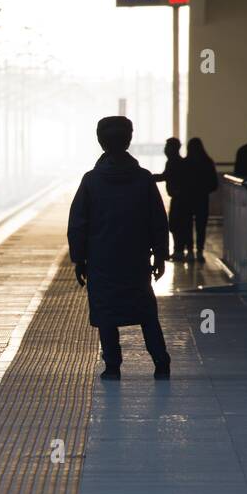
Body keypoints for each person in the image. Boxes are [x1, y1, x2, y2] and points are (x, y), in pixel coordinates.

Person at [68, 115, 171, 381]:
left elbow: (78, 223)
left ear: (101, 142)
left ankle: (112, 366)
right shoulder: (144, 179)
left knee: (106, 312)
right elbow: (158, 220)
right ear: (129, 140)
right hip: (136, 260)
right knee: (146, 311)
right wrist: (160, 254)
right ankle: (161, 361)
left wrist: (79, 259)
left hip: (102, 261)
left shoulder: (91, 181)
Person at [180, 137, 219, 264]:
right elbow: (214, 183)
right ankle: (200, 251)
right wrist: (204, 189)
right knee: (201, 226)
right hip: (202, 199)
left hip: (187, 199)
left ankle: (190, 251)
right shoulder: (207, 162)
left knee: (187, 225)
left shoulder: (185, 163)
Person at [153, 137, 188, 261]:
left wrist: (150, 178)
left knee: (176, 224)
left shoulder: (174, 162)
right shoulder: (177, 161)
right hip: (179, 198)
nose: (165, 150)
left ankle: (179, 250)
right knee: (177, 224)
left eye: (167, 147)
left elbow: (165, 176)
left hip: (179, 199)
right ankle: (179, 250)